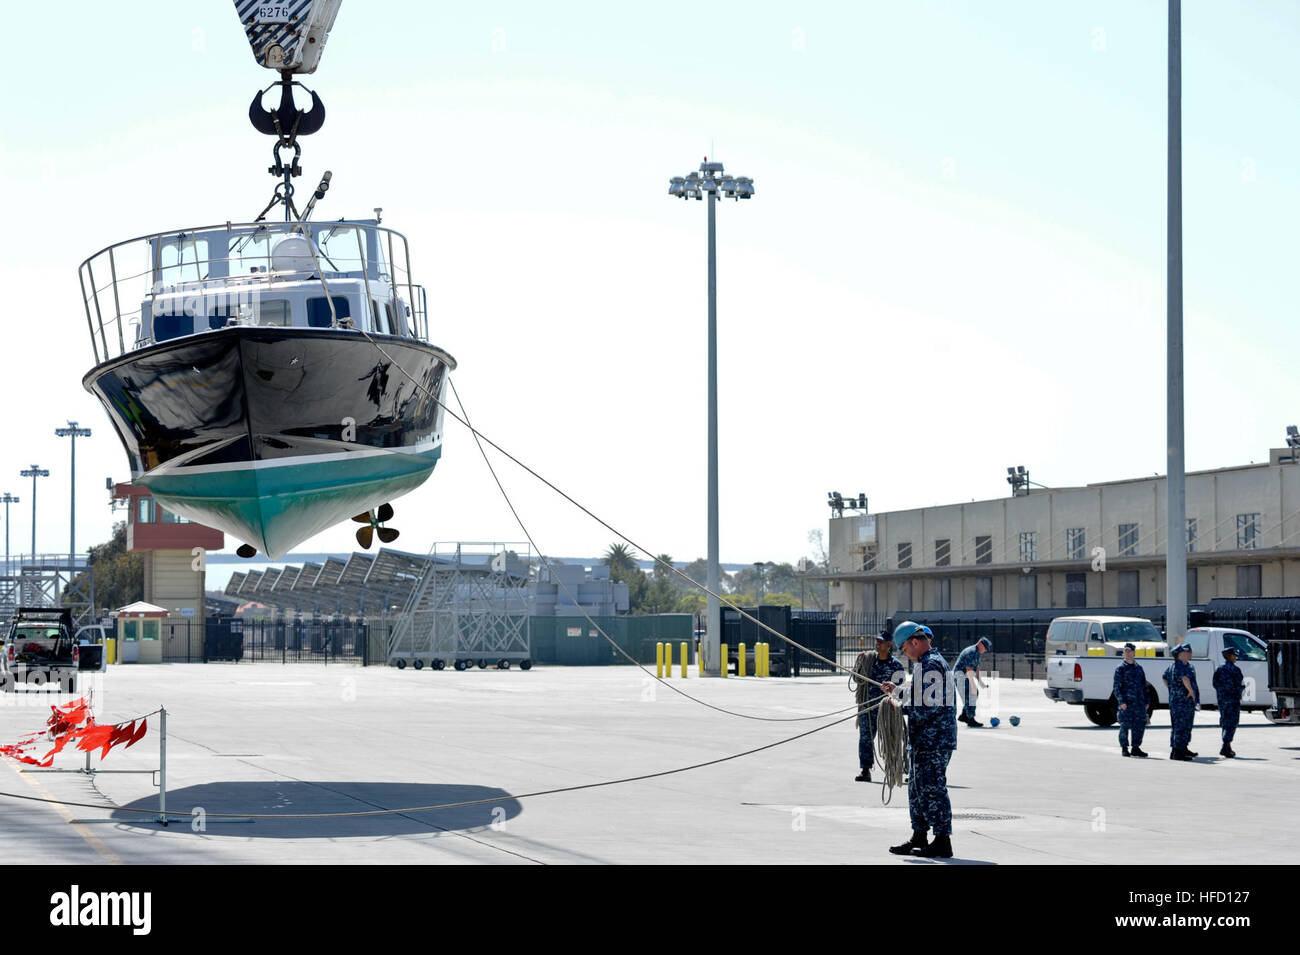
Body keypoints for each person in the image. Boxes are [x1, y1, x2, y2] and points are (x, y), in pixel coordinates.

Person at [881, 621, 958, 859]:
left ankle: (942, 841)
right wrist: (897, 692)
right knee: (917, 789)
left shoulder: (930, 665)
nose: (905, 654)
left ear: (915, 642)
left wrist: (897, 708)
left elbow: (926, 707)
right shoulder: (925, 664)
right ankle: (919, 836)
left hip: (934, 740)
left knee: (932, 788)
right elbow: (918, 695)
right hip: (924, 739)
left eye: (904, 649)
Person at [852, 632, 901, 782]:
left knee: (890, 738)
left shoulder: (896, 665)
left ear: (889, 645)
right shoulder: (869, 660)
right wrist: (859, 664)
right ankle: (865, 770)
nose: (878, 644)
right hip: (868, 707)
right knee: (865, 739)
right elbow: (856, 679)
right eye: (877, 641)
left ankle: (892, 769)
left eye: (881, 641)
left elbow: (900, 690)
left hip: (887, 708)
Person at [1161, 642, 1199, 761]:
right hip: (1182, 701)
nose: (1186, 654)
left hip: (1176, 701)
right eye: (1183, 652)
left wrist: (1172, 689)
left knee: (1178, 726)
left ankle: (1178, 750)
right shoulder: (1180, 665)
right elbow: (1185, 678)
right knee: (1181, 726)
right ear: (1179, 654)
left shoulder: (1173, 666)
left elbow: (1164, 678)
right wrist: (1191, 691)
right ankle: (1178, 752)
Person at [1112, 642, 1149, 758]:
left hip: (1139, 703)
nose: (1127, 653)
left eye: (1129, 651)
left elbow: (1144, 685)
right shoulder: (1120, 669)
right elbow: (1116, 687)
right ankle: (1124, 748)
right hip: (1126, 703)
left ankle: (1136, 748)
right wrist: (1121, 701)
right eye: (1125, 651)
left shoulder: (1139, 668)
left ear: (1134, 652)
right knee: (1125, 725)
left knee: (1139, 725)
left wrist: (1147, 701)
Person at [1212, 647, 1244, 758]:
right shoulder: (1235, 670)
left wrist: (1222, 693)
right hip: (1233, 700)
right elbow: (1239, 685)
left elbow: (1215, 683)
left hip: (1222, 700)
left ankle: (1226, 746)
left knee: (1225, 721)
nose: (1235, 657)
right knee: (1232, 722)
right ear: (1230, 656)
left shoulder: (1219, 669)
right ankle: (1226, 746)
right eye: (1234, 655)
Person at [952, 637, 991, 727]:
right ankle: (970, 719)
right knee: (970, 695)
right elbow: (969, 669)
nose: (985, 650)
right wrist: (973, 685)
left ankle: (964, 715)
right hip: (960, 675)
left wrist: (980, 682)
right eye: (985, 648)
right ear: (980, 644)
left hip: (965, 675)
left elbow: (976, 668)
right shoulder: (971, 652)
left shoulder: (977, 652)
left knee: (973, 694)